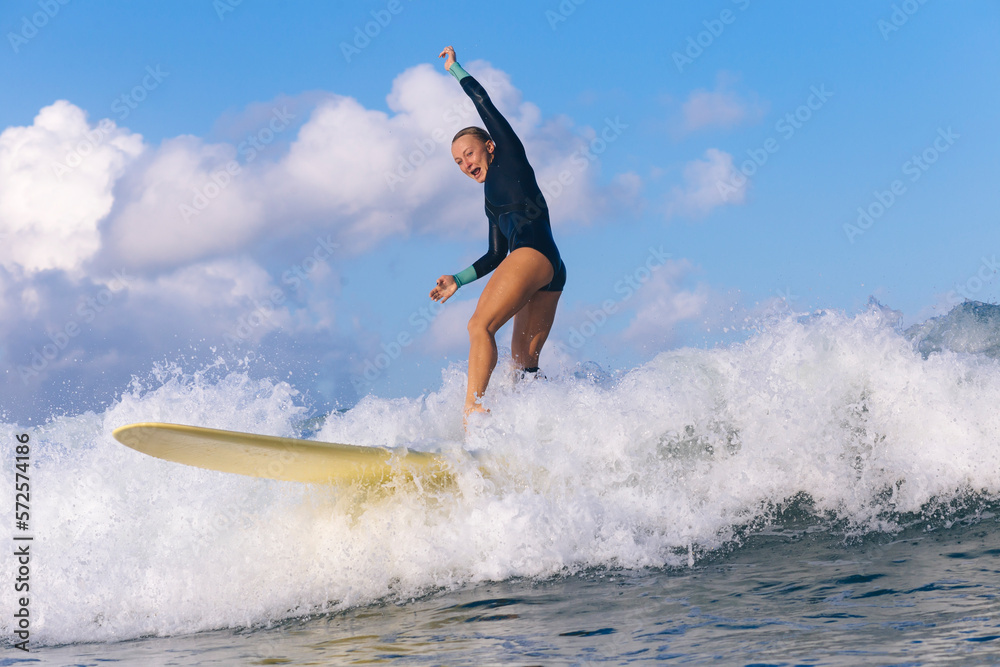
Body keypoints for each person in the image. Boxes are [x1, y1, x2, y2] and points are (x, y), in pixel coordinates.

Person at [430, 46, 566, 418]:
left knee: (479, 325)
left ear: (489, 146)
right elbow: (494, 254)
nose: (465, 164)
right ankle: (538, 430)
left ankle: (473, 411)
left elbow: (481, 99)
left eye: (469, 154)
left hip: (533, 254)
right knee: (523, 367)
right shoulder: (491, 203)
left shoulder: (510, 154)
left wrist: (454, 68)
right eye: (458, 162)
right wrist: (458, 279)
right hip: (550, 266)